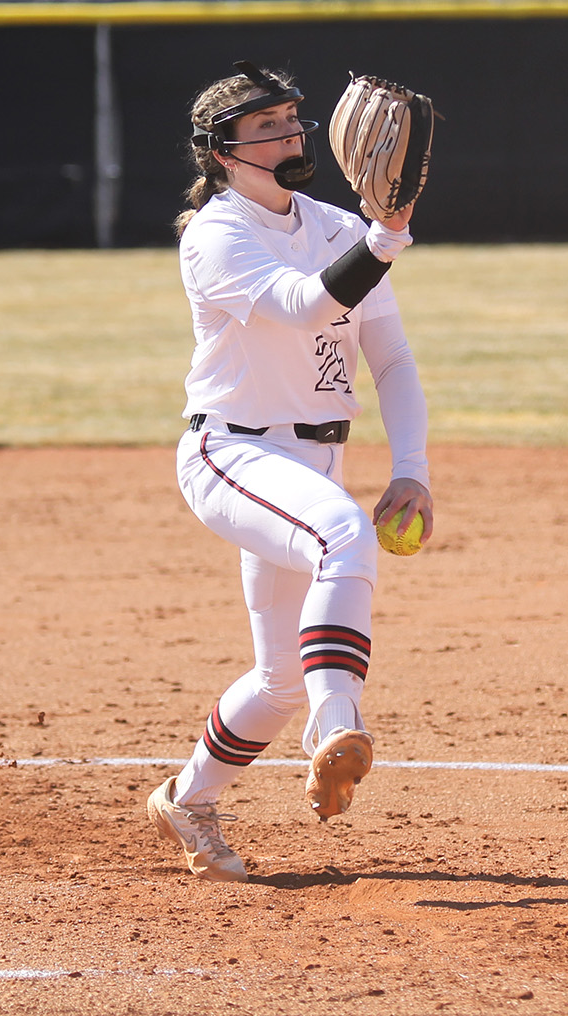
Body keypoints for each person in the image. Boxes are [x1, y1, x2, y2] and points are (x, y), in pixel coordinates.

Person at [145, 61, 432, 883]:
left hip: (312, 457)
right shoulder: (216, 235)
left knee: (275, 678)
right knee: (341, 533)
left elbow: (394, 362)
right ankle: (335, 727)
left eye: (293, 120)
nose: (291, 134)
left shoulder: (337, 226)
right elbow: (304, 304)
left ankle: (188, 799)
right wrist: (386, 238)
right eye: (267, 126)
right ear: (222, 152)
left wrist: (410, 466)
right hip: (231, 453)